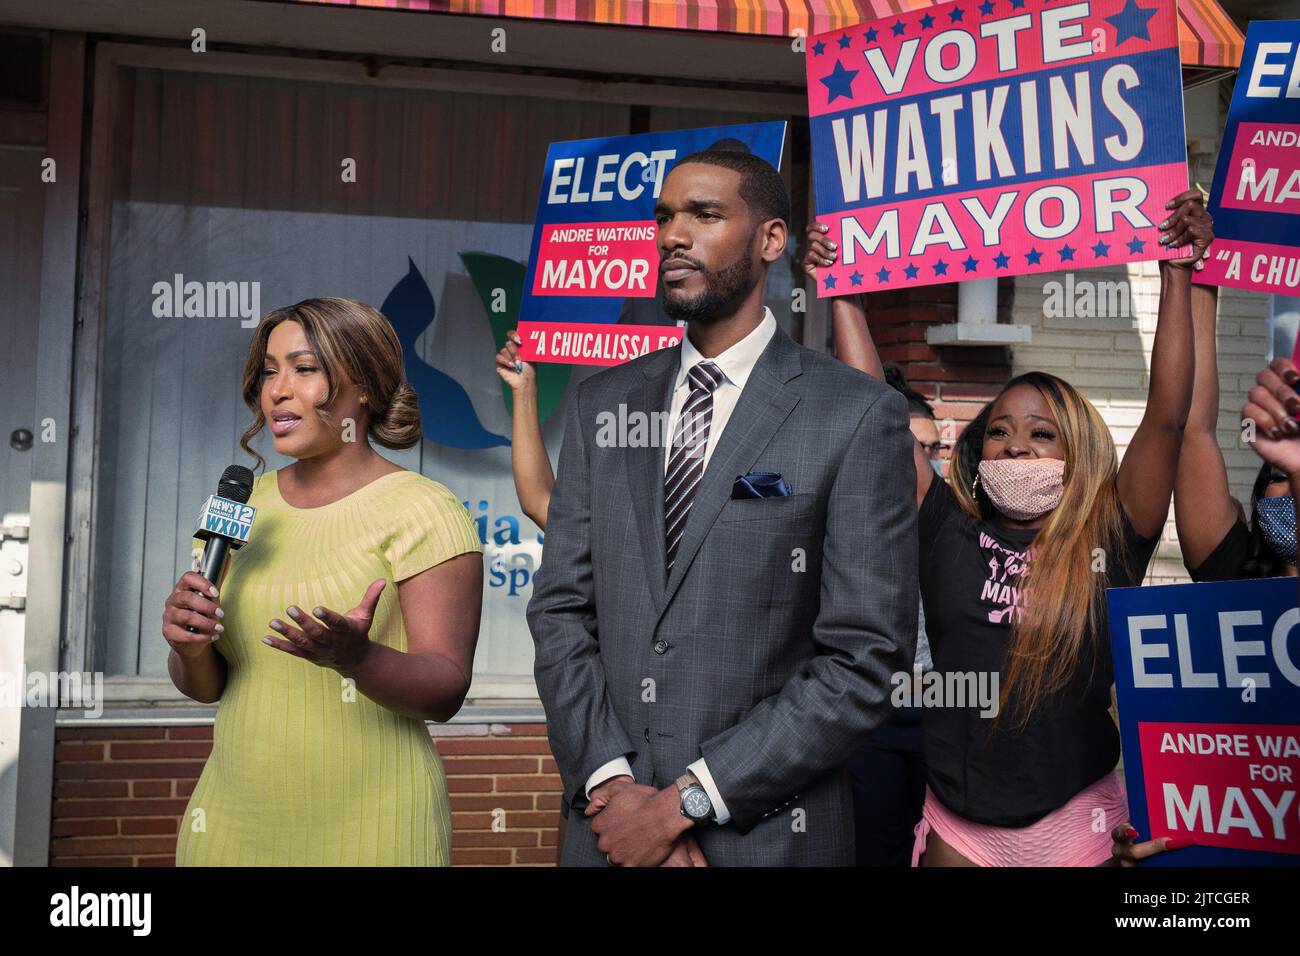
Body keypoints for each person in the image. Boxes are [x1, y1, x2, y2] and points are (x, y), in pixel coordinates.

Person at [527, 148, 919, 866]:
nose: (674, 234)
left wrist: (685, 805)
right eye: (664, 217)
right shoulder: (599, 404)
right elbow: (559, 613)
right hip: (606, 834)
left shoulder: (857, 415)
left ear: (771, 239)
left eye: (704, 215)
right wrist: (617, 792)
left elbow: (865, 661)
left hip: (767, 839)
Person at [804, 190, 1213, 866]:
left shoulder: (1109, 533)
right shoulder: (944, 530)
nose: (1016, 447)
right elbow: (876, 416)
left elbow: (1168, 418)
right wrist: (842, 292)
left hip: (1075, 820)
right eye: (999, 432)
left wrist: (1176, 270)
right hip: (960, 827)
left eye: (1040, 434)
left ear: (1075, 453)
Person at [163, 297, 484, 866]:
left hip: (373, 828)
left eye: (304, 368)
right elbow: (210, 686)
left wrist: (357, 659)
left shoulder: (425, 510)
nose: (277, 390)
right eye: (269, 370)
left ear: (363, 387)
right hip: (232, 825)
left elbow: (446, 690)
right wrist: (188, 646)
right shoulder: (241, 506)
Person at [845, 363, 936, 866]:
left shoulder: (954, 517)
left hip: (942, 709)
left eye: (933, 449)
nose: (922, 461)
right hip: (871, 713)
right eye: (910, 446)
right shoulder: (850, 510)